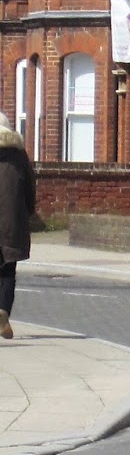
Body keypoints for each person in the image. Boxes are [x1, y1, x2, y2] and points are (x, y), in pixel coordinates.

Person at [0, 112, 36, 341]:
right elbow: (30, 191)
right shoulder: (19, 156)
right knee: (8, 271)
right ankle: (3, 310)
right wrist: (26, 214)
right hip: (12, 222)